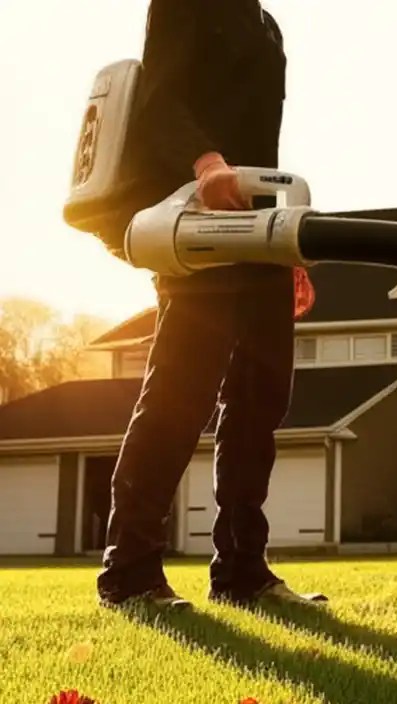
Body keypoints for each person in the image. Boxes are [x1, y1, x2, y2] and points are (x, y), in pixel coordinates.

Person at [98, 0, 324, 610]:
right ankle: (131, 573)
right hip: (193, 222)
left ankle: (242, 572)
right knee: (179, 394)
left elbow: (263, 146)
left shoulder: (266, 23)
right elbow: (158, 103)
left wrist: (288, 250)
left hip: (258, 233)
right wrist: (207, 162)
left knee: (260, 401)